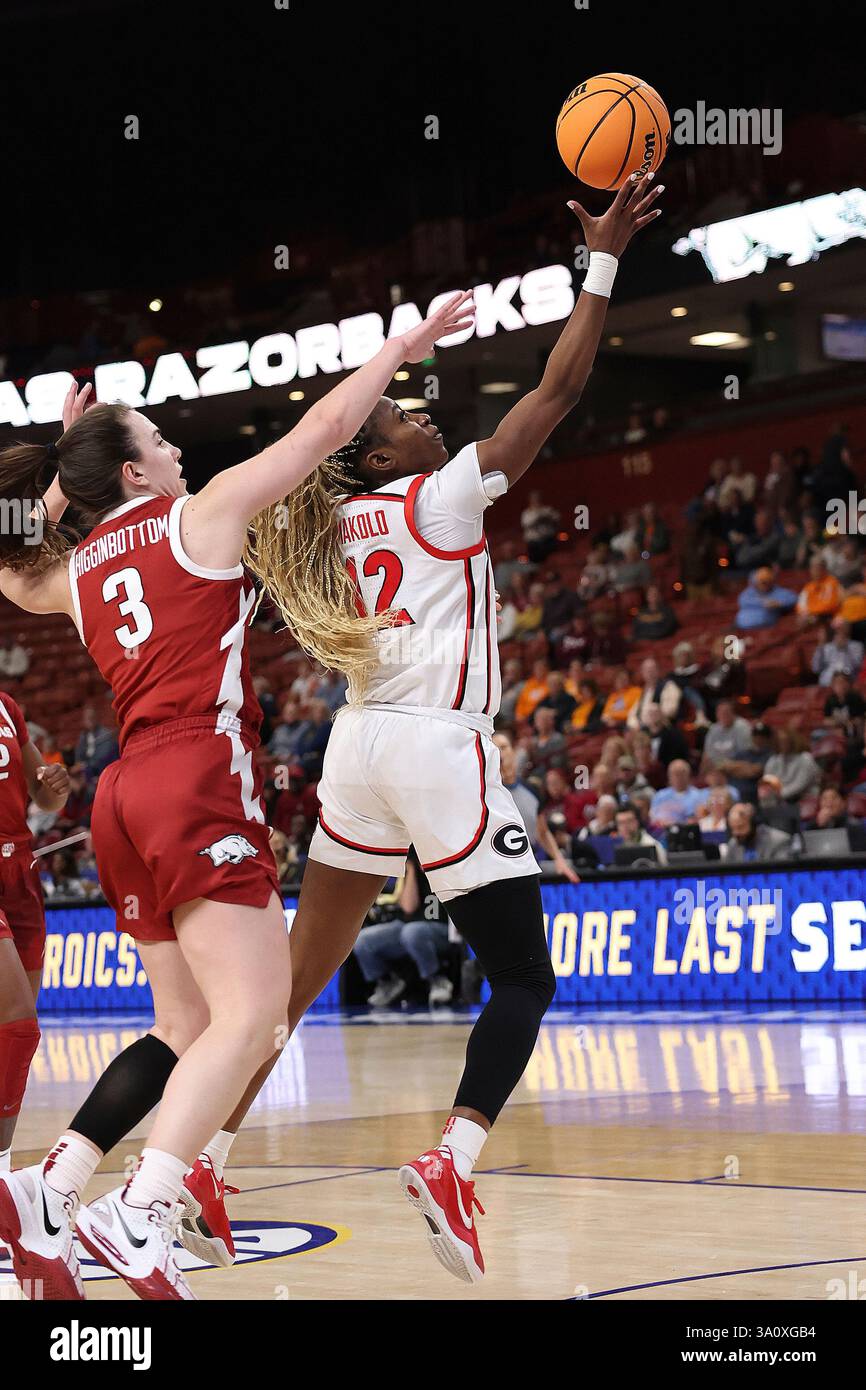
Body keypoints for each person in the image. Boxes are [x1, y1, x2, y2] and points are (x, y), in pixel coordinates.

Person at [212, 176, 664, 1284]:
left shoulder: (328, 533)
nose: (423, 416)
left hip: (356, 749)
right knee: (524, 978)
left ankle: (200, 1164)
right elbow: (558, 389)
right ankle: (455, 1158)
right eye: (404, 416)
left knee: (286, 988)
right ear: (377, 456)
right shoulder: (441, 497)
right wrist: (598, 262)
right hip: (432, 745)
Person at [0, 297, 474, 1299]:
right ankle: (141, 1210)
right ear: (134, 473)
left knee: (184, 1023)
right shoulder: (200, 514)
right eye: (158, 439)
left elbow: (12, 572)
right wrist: (402, 346)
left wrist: (55, 496)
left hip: (119, 793)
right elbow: (322, 433)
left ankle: (56, 1184)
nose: (175, 448)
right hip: (190, 773)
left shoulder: (77, 570)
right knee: (255, 1013)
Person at [0, 692, 70, 1178]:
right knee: (17, 1019)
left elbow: (43, 796)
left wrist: (54, 786)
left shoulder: (7, 704)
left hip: (19, 870)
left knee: (18, 1035)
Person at [353, 853, 455, 1007]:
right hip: (408, 928)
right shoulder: (411, 867)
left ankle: (437, 979)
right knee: (363, 940)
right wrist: (411, 868)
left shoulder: (448, 865)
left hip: (443, 929)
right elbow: (408, 907)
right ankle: (388, 983)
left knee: (413, 932)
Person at [724, 802, 792, 862]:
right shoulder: (733, 845)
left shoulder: (779, 841)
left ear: (754, 823)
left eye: (740, 827)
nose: (736, 833)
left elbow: (780, 873)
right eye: (732, 828)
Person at [649, 759, 704, 831]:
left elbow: (695, 821)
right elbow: (652, 817)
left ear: (688, 775)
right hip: (659, 832)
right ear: (669, 776)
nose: (678, 778)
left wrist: (673, 825)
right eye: (674, 774)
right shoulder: (660, 795)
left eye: (681, 774)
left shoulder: (697, 796)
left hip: (684, 833)